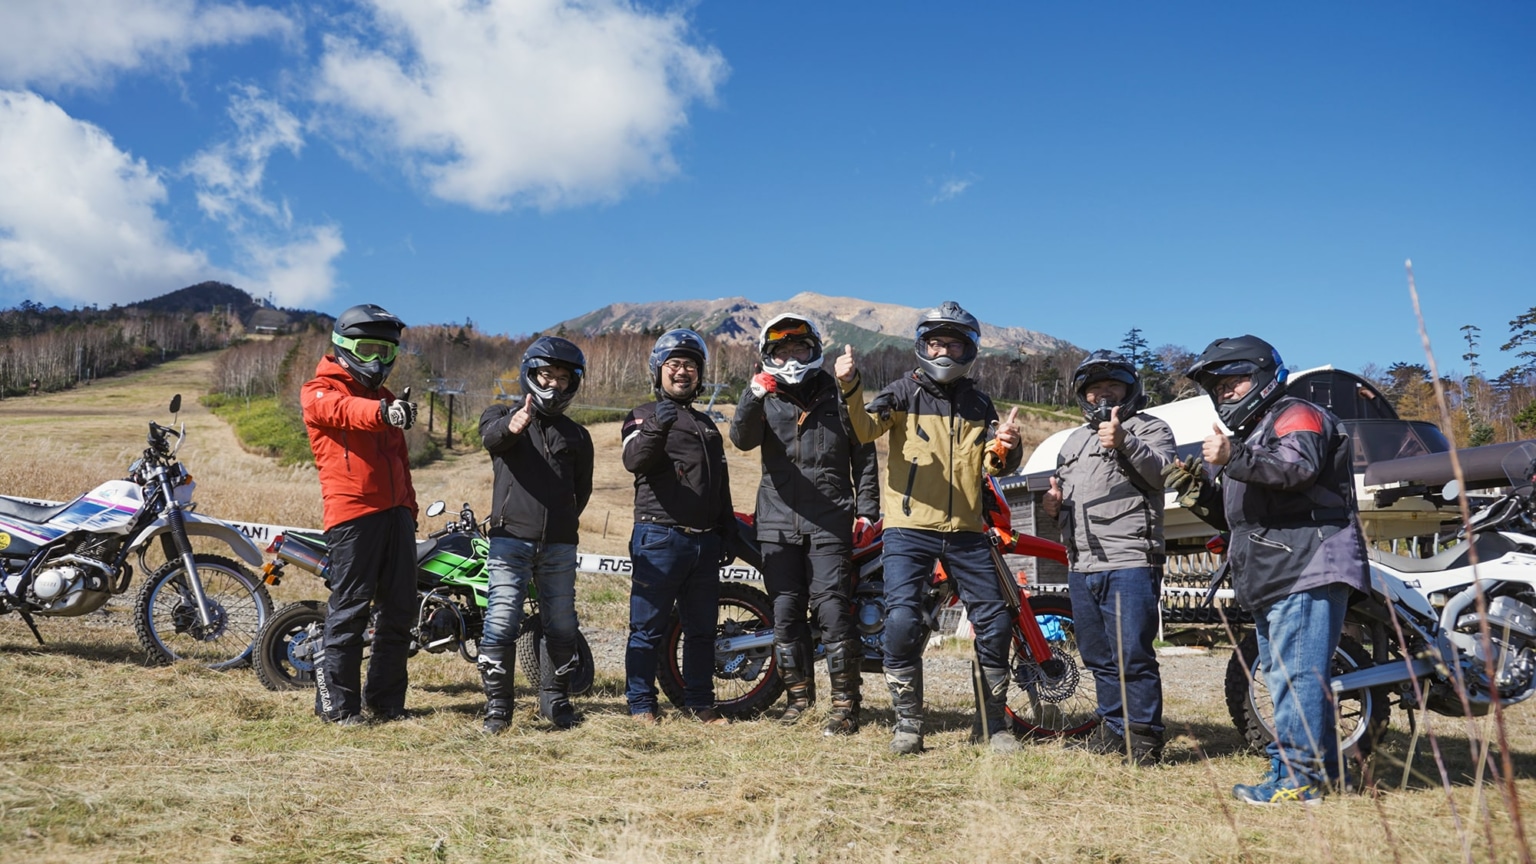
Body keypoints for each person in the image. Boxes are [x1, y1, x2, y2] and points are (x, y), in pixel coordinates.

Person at [1169, 334, 1370, 804]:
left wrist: (1233, 458)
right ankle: (1304, 774)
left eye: (1234, 382)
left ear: (1261, 377)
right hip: (1276, 569)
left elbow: (1297, 469)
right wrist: (1198, 490)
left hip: (1305, 564)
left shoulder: (1295, 414)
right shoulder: (1254, 434)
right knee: (1287, 676)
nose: (1225, 393)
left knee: (1296, 677)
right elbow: (1239, 516)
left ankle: (1297, 782)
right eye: (1218, 387)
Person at [833, 300, 1024, 754]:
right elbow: (863, 430)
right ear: (922, 345)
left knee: (995, 623)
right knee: (901, 622)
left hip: (967, 530)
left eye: (952, 343)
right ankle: (908, 726)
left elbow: (993, 462)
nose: (942, 351)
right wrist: (849, 386)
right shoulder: (902, 391)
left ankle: (994, 725)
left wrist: (1009, 448)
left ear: (967, 349)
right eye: (935, 342)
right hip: (907, 528)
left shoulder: (979, 401)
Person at [729, 313, 880, 735]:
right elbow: (741, 439)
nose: (792, 356)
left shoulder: (838, 394)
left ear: (814, 350)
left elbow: (864, 455)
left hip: (830, 518)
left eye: (799, 347)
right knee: (785, 610)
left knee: (833, 608)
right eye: (782, 349)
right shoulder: (766, 395)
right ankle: (798, 698)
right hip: (776, 520)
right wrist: (751, 395)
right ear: (768, 355)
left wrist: (868, 510)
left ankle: (846, 704)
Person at [1041, 350, 1175, 764]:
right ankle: (1114, 727)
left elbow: (1164, 474)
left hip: (1131, 558)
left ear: (1129, 391)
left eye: (1112, 389)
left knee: (1132, 653)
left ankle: (1145, 738)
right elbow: (1069, 497)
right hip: (1081, 562)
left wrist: (1125, 442)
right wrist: (1053, 505)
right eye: (1095, 390)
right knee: (1097, 654)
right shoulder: (1073, 441)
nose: (1102, 397)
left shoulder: (1151, 428)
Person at [301, 303, 419, 726]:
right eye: (368, 349)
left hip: (396, 514)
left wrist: (410, 509)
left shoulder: (387, 399)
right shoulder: (319, 390)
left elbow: (400, 460)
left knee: (400, 611)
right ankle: (340, 708)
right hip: (353, 515)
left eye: (387, 352)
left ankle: (387, 704)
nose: (377, 360)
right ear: (343, 346)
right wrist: (382, 414)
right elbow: (342, 411)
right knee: (350, 609)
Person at [475, 337, 594, 734]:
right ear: (530, 374)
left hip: (560, 544)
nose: (555, 384)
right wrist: (513, 425)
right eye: (547, 374)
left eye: (563, 377)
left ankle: (555, 702)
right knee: (501, 621)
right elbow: (491, 438)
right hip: (510, 540)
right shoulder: (500, 414)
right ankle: (498, 710)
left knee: (561, 624)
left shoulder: (578, 435)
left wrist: (561, 523)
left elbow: (583, 490)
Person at [621, 329, 736, 726]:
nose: (682, 371)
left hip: (704, 543)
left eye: (690, 364)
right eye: (674, 364)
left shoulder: (707, 425)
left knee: (702, 630)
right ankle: (641, 705)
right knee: (647, 629)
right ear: (658, 370)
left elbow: (719, 485)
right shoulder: (642, 414)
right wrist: (657, 426)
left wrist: (728, 530)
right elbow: (634, 461)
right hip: (659, 537)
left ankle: (700, 703)